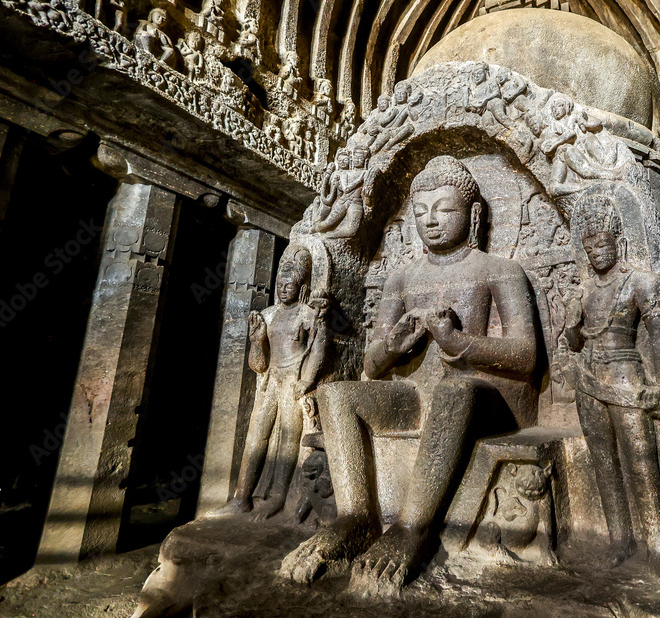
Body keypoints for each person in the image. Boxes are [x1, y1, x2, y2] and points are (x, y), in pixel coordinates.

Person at [279, 155, 538, 598]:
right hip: (418, 394)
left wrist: (461, 344)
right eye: (420, 212)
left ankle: (412, 528)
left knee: (455, 391)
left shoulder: (498, 270)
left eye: (444, 209)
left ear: (474, 215)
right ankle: (356, 517)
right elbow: (372, 365)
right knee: (340, 393)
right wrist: (393, 347)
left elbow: (527, 355)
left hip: (486, 394)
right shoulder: (402, 278)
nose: (430, 221)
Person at [562, 193, 660, 593]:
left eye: (602, 244)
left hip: (627, 378)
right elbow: (571, 343)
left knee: (641, 460)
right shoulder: (583, 291)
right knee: (603, 460)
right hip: (588, 381)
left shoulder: (643, 281)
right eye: (589, 248)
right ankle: (621, 539)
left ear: (618, 242)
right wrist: (570, 323)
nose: (596, 253)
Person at [209, 247, 328, 520]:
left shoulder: (307, 315)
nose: (283, 289)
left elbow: (320, 347)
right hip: (270, 381)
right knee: (255, 436)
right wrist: (257, 342)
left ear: (301, 287)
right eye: (279, 284)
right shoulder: (270, 314)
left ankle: (277, 497)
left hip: (293, 380)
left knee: (289, 438)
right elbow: (258, 365)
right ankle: (241, 497)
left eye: (290, 285)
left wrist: (307, 379)